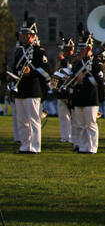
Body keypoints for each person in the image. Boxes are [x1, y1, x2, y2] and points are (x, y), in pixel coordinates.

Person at [7, 13, 52, 154]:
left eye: (26, 34)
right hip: (20, 90)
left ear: (33, 36)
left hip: (33, 90)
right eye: (23, 34)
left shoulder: (39, 51)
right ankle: (25, 145)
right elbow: (15, 68)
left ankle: (35, 147)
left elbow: (46, 72)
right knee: (22, 120)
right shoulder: (19, 51)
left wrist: (30, 73)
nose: (23, 37)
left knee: (33, 120)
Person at [70, 25, 104, 154]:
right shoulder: (78, 63)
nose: (80, 51)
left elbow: (99, 81)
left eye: (82, 48)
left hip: (91, 97)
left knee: (90, 124)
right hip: (79, 96)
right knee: (80, 124)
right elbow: (72, 79)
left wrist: (84, 79)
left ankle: (92, 147)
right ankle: (82, 146)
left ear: (89, 48)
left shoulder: (95, 63)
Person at [54, 34, 76, 144]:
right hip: (61, 90)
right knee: (63, 116)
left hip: (71, 90)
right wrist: (58, 61)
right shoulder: (61, 60)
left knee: (73, 116)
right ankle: (65, 136)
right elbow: (56, 74)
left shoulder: (74, 60)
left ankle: (73, 136)